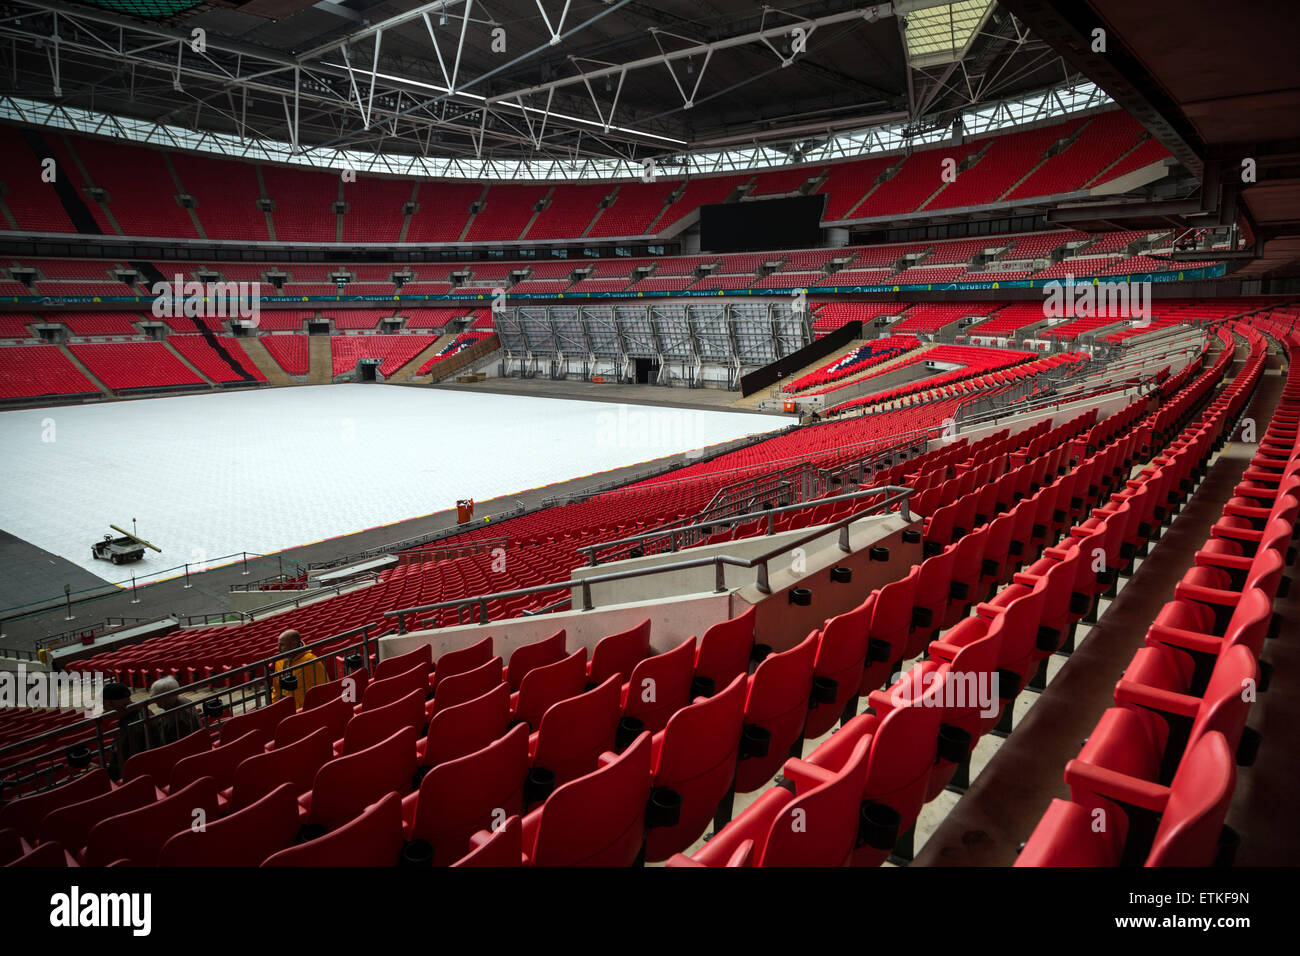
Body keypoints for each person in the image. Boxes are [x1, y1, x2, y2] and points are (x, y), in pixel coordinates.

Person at [102, 682, 148, 780]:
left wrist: (103, 772)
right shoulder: (146, 712)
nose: (104, 710)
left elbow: (124, 769)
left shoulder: (129, 730)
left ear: (111, 704)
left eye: (104, 706)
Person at [272, 629, 328, 709]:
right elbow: (276, 690)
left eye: (282, 645)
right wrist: (275, 707)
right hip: (288, 710)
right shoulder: (279, 662)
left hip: (308, 709)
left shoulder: (310, 661)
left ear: (294, 644)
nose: (278, 648)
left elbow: (324, 685)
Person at [148, 675, 201, 745]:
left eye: (154, 697)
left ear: (165, 698)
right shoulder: (182, 701)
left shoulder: (176, 720)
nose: (153, 700)